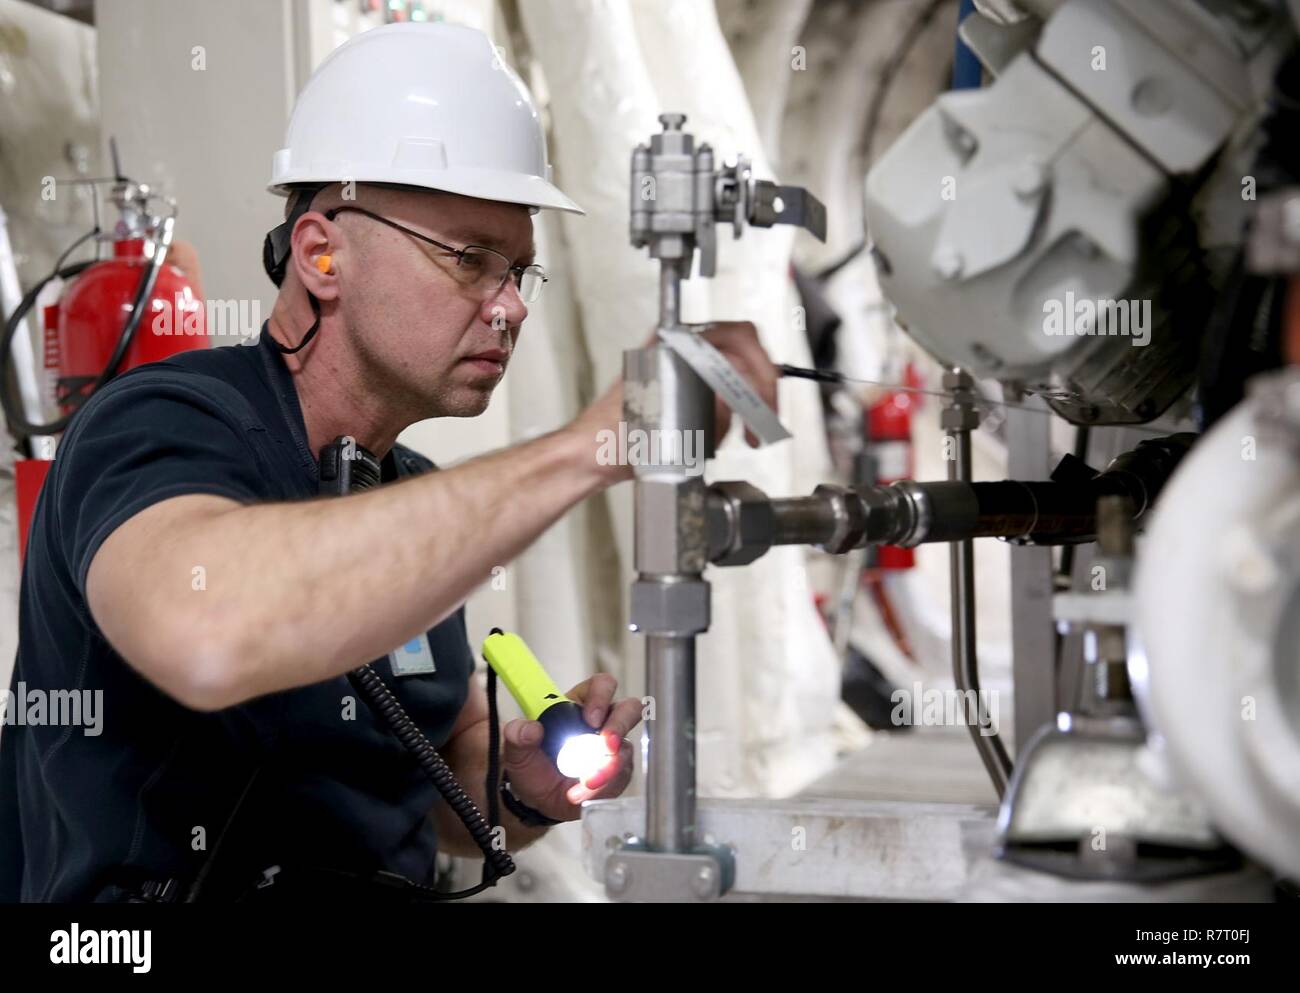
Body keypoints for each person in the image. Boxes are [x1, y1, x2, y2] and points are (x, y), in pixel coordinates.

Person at [0, 21, 778, 901]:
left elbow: (442, 770)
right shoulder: (157, 424)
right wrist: (593, 444)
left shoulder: (404, 490)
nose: (511, 308)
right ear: (322, 254)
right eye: (472, 259)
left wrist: (526, 782)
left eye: (520, 270)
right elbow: (204, 634)